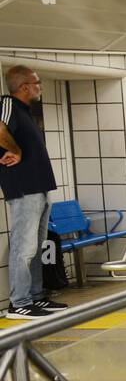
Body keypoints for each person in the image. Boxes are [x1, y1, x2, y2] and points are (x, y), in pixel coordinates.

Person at [0, 66, 69, 319]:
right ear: (24, 86)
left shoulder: (25, 112)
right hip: (24, 187)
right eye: (37, 82)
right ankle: (19, 303)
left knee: (38, 246)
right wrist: (16, 151)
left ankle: (36, 297)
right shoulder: (7, 104)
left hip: (39, 187)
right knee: (24, 246)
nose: (40, 86)